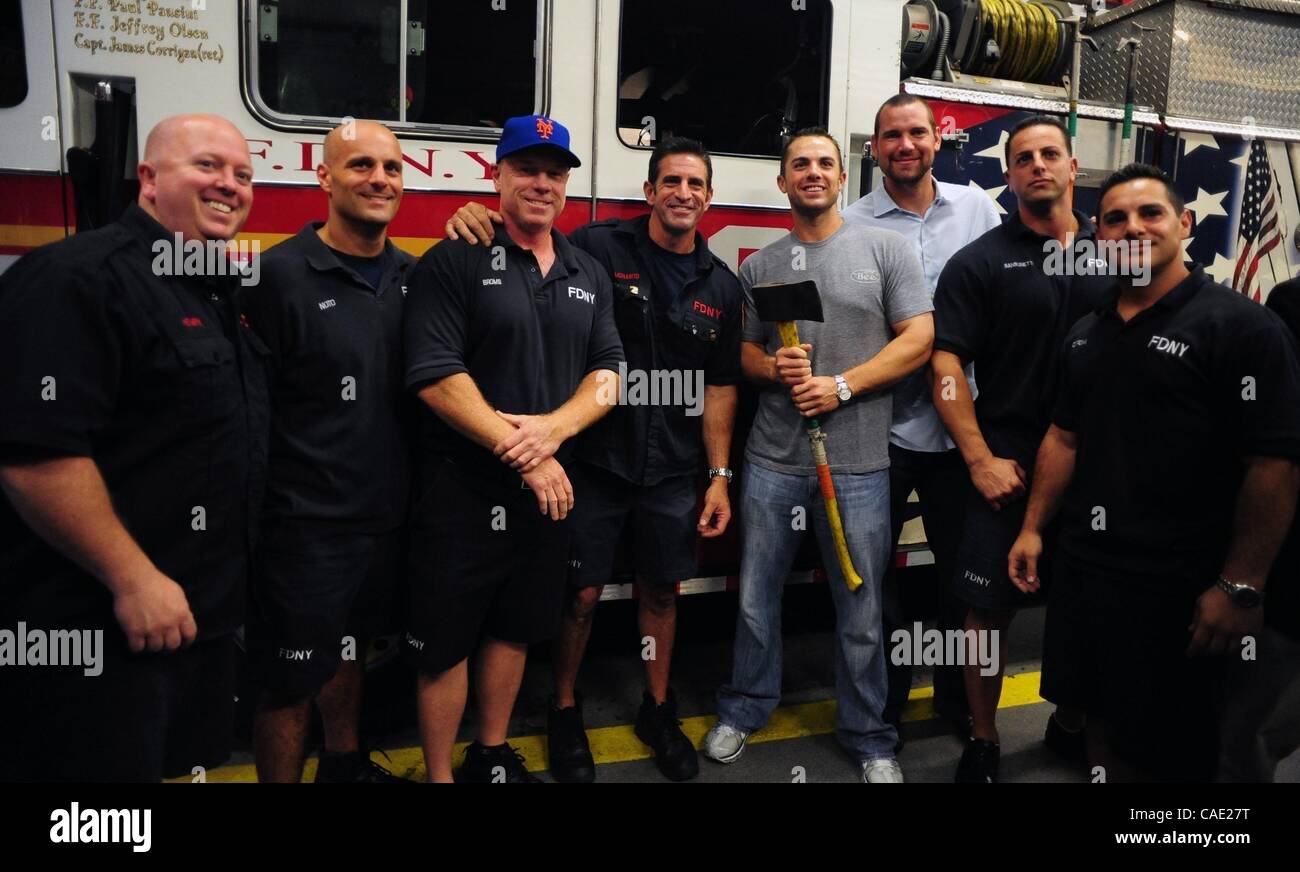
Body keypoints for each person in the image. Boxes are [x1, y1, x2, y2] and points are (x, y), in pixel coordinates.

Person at [445, 137, 742, 782]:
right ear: (650, 191)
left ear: (710, 196)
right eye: (671, 182)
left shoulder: (722, 285)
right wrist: (476, 215)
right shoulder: (599, 249)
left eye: (695, 183)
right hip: (594, 463)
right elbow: (531, 236)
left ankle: (657, 709)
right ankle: (564, 707)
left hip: (670, 470)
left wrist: (719, 477)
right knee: (579, 594)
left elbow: (721, 387)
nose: (683, 194)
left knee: (662, 590)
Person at [1008, 163, 1300, 782]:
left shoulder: (1242, 328)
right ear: (1098, 235)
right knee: (1102, 723)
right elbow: (1065, 437)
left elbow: (1274, 464)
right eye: (1115, 218)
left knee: (1191, 749)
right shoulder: (1086, 336)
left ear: (1185, 224)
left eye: (1150, 213)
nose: (1132, 228)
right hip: (1093, 575)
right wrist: (1033, 528)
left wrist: (1240, 586)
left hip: (1188, 588)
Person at [0, 114, 268, 782]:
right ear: (148, 179)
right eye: (207, 166)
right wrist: (131, 577)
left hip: (189, 624)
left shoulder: (208, 289)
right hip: (99, 629)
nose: (229, 186)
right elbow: (36, 455)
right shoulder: (77, 278)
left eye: (242, 174)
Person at [702, 127, 934, 783]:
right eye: (799, 164)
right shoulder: (760, 266)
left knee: (859, 608)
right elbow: (742, 356)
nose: (812, 172)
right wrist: (775, 367)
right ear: (782, 182)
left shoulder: (885, 251)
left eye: (824, 163)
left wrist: (841, 385)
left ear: (842, 178)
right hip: (773, 461)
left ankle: (868, 735)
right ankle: (745, 707)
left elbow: (919, 338)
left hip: (858, 464)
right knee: (755, 598)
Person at [403, 115, 624, 783]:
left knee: (515, 629)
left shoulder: (588, 269)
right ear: (496, 175)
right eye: (526, 169)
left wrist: (555, 430)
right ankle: (440, 776)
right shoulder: (456, 259)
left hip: (546, 499)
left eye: (554, 173)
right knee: (443, 647)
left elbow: (610, 372)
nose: (541, 183)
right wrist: (529, 452)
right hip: (461, 494)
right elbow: (436, 377)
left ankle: (491, 755)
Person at [930, 115, 1107, 783]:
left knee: (1092, 609)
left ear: (1071, 165)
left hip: (1098, 472)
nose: (1037, 165)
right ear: (1008, 176)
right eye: (1023, 157)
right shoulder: (978, 263)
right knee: (986, 611)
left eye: (1049, 154)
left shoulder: (1115, 254)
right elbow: (946, 365)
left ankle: (1072, 722)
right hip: (1007, 462)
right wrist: (978, 457)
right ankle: (983, 737)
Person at [244, 120, 414, 783]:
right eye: (361, 166)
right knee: (286, 681)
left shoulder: (414, 277)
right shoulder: (277, 277)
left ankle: (343, 764)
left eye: (392, 168)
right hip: (304, 528)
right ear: (324, 177)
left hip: (384, 520)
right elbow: (253, 412)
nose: (379, 179)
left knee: (352, 649)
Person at [841, 93, 1000, 737]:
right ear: (874, 149)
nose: (904, 145)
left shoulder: (979, 208)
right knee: (877, 577)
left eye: (916, 133)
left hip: (964, 432)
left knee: (962, 578)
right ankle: (888, 700)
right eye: (890, 136)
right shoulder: (849, 224)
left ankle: (958, 700)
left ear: (938, 139)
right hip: (883, 429)